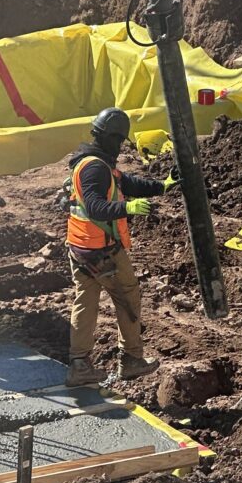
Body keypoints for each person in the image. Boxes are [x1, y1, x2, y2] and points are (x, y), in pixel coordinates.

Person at [64, 107, 175, 387]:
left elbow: (127, 183)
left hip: (80, 248)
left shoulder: (92, 163)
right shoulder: (95, 169)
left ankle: (80, 365)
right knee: (127, 297)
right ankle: (131, 360)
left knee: (85, 303)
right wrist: (128, 208)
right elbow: (96, 207)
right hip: (102, 252)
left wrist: (162, 186)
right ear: (114, 139)